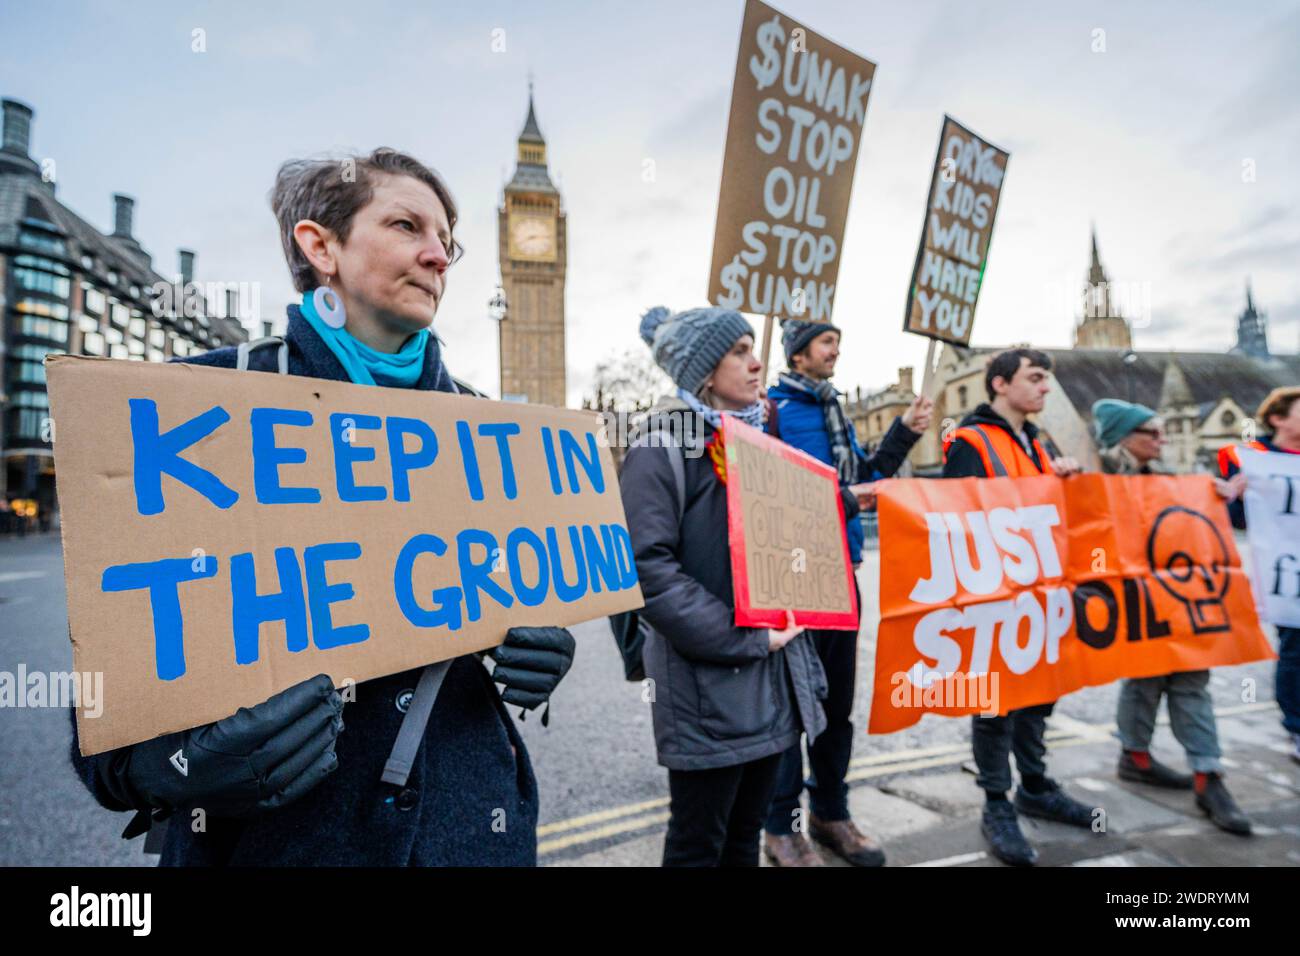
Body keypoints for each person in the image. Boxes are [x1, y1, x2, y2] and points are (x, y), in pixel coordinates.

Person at [68, 148, 577, 866]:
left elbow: (512, 589)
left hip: (474, 837)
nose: (438, 256)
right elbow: (103, 716)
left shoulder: (489, 430)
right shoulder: (193, 409)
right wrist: (172, 763)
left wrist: (538, 645)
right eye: (407, 225)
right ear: (320, 246)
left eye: (449, 239)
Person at [620, 305, 833, 867]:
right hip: (709, 687)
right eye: (739, 351)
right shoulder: (660, 445)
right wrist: (748, 638)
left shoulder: (760, 444)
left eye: (751, 347)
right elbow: (647, 568)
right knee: (699, 846)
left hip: (772, 682)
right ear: (704, 371)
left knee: (743, 840)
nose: (758, 362)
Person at [760, 318, 932, 867]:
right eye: (827, 341)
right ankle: (781, 828)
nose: (836, 350)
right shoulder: (770, 411)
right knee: (790, 709)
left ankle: (830, 813)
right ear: (798, 353)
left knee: (837, 705)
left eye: (837, 341)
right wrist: (844, 497)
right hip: (788, 573)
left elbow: (869, 472)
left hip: (841, 572)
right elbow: (768, 490)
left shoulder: (833, 409)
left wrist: (904, 430)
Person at [942, 348, 1095, 867]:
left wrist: (1062, 484)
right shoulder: (970, 440)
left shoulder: (1035, 442)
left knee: (1037, 696)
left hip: (1040, 593)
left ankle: (1034, 784)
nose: (1045, 388)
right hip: (995, 597)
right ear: (1001, 384)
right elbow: (953, 517)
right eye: (1034, 378)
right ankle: (995, 803)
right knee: (995, 706)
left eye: (1046, 379)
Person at [1093, 399, 1251, 834]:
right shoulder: (1095, 473)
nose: (1162, 440)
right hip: (1127, 597)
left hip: (1173, 596)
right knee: (1143, 679)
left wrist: (1215, 497)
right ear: (1124, 437)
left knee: (1191, 678)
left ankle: (1208, 775)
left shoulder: (1165, 478)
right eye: (1153, 433)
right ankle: (1136, 756)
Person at [1217, 385, 1300, 765]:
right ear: (1278, 418)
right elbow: (1238, 521)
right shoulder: (1254, 459)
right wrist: (1235, 496)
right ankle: (1297, 726)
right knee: (1296, 648)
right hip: (1287, 573)